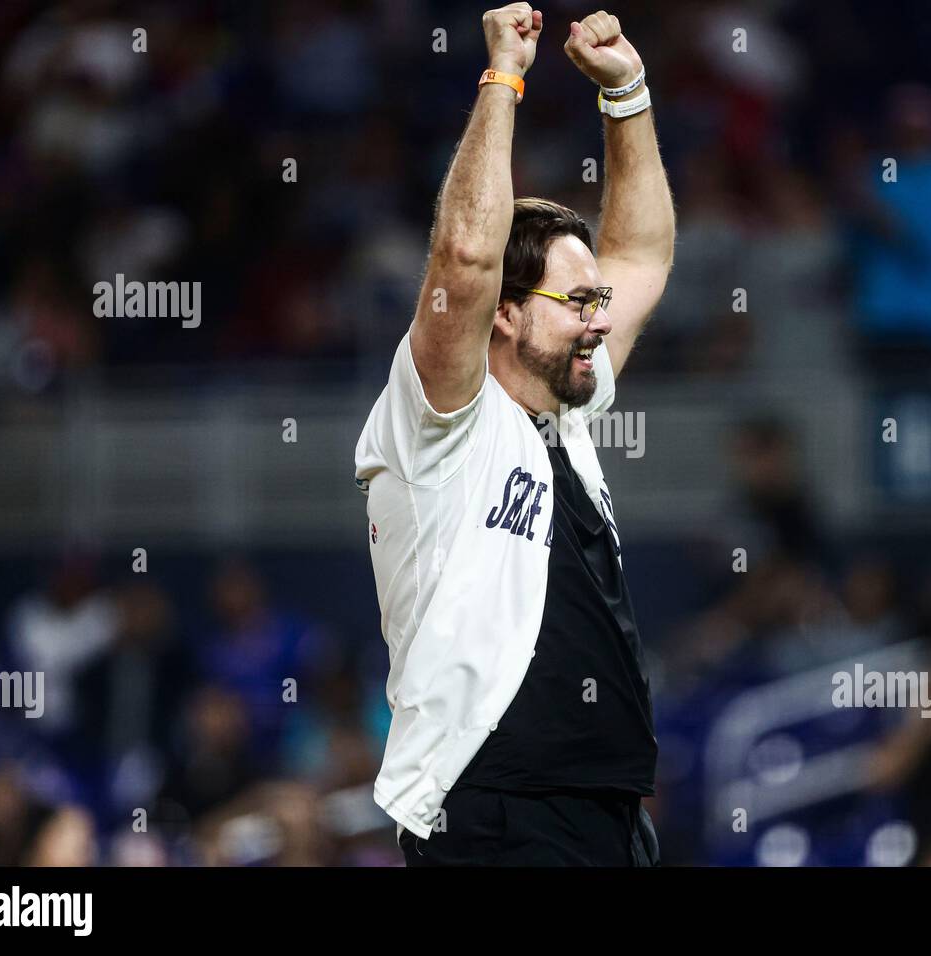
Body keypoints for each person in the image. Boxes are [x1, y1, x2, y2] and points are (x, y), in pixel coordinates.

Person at [353, 5, 675, 865]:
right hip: (490, 816)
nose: (600, 321)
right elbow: (462, 256)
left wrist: (628, 95)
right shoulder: (441, 419)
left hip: (608, 818)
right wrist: (504, 75)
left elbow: (641, 256)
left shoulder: (565, 414)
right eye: (577, 303)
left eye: (594, 302)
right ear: (502, 315)